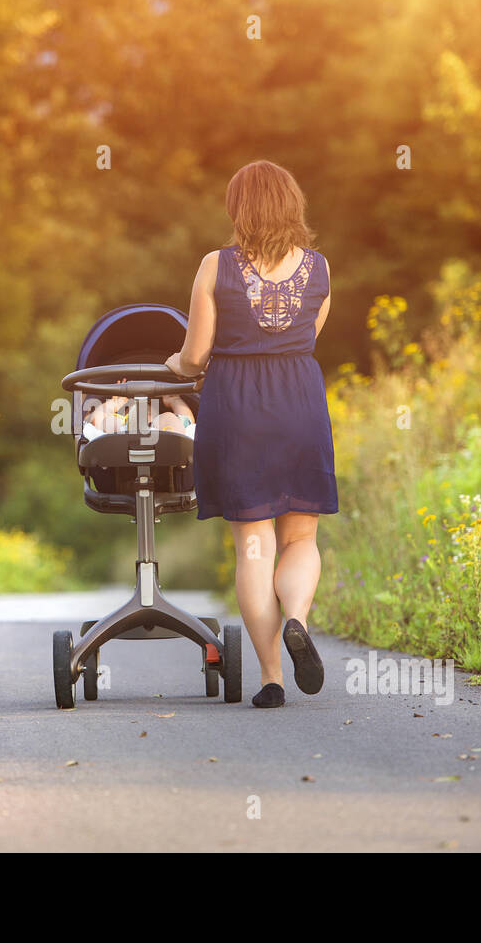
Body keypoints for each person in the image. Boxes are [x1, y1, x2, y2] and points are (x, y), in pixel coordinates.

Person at [165, 159, 337, 708]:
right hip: (300, 407)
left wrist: (171, 364)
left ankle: (271, 679)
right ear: (293, 206)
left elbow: (195, 357)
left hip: (238, 409)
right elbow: (306, 339)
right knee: (301, 540)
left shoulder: (216, 267)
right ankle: (297, 620)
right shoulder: (321, 269)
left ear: (238, 209)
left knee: (255, 549)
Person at [83, 378, 196, 440]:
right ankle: (132, 425)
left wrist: (174, 400)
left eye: (148, 411)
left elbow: (188, 421)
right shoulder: (120, 421)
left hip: (160, 433)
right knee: (109, 421)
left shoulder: (160, 421)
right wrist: (112, 405)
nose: (145, 412)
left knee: (170, 418)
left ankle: (173, 437)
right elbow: (96, 420)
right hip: (122, 434)